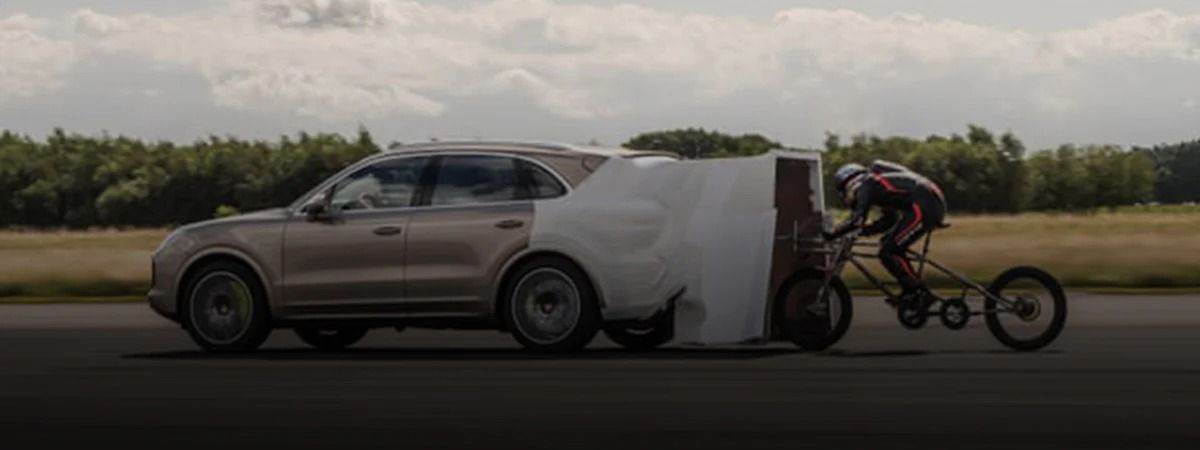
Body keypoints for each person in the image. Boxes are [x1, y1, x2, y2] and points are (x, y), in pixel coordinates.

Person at [824, 160, 947, 308]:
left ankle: (919, 291)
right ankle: (912, 291)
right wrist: (864, 231)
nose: (844, 196)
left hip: (925, 205)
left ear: (848, 182)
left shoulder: (866, 185)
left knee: (891, 250)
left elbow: (856, 220)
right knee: (887, 246)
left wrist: (832, 233)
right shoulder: (877, 186)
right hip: (928, 202)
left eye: (842, 191)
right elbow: (889, 221)